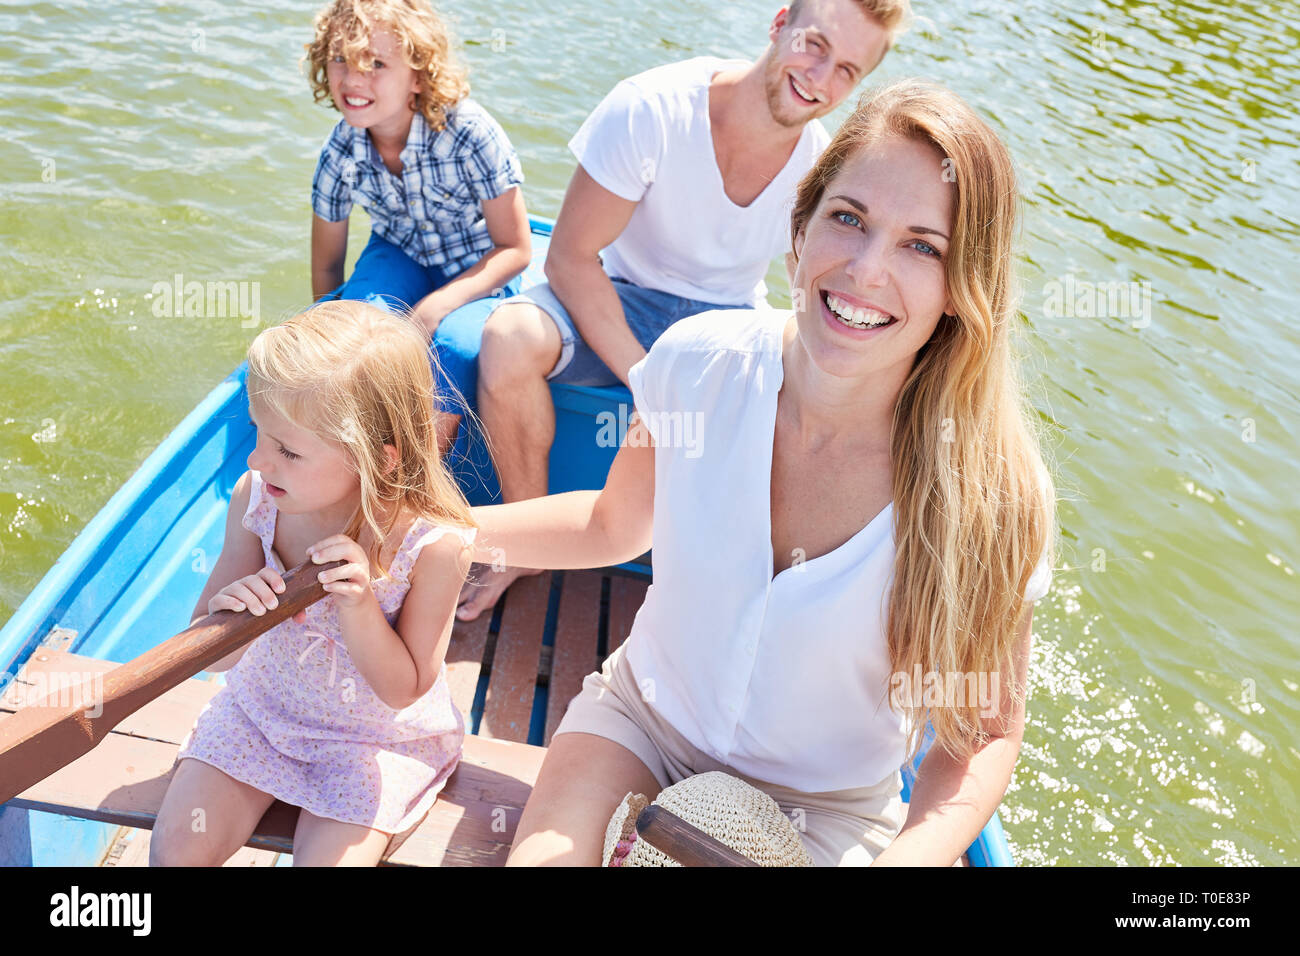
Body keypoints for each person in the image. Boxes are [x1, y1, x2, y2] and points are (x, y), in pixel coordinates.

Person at [460, 79, 1057, 866]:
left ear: (961, 288)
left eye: (923, 245)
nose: (866, 270)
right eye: (849, 219)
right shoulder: (696, 363)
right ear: (799, 231)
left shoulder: (995, 495)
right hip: (639, 728)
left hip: (827, 813)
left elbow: (980, 736)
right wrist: (435, 530)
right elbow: (612, 525)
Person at [453, 0, 911, 621]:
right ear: (779, 24)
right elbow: (568, 259)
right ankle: (521, 548)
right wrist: (648, 377)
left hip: (726, 320)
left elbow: (809, 292)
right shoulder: (652, 109)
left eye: (847, 71)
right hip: (621, 291)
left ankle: (750, 592)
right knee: (507, 337)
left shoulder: (820, 168)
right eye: (815, 45)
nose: (820, 79)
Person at [151, 300, 478, 867]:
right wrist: (232, 618)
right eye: (258, 434)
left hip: (372, 742)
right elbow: (210, 657)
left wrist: (359, 608)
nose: (258, 459)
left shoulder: (433, 546)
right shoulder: (256, 501)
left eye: (288, 450)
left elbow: (406, 689)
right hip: (260, 714)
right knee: (176, 853)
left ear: (378, 460)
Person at [305, 0, 531, 445]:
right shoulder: (339, 153)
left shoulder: (469, 132)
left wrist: (434, 309)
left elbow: (517, 249)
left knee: (454, 347)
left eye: (376, 64)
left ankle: (415, 475)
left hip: (480, 264)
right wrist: (334, 340)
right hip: (399, 253)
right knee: (362, 334)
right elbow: (327, 270)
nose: (352, 80)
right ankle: (356, 453)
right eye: (340, 60)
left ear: (418, 75)